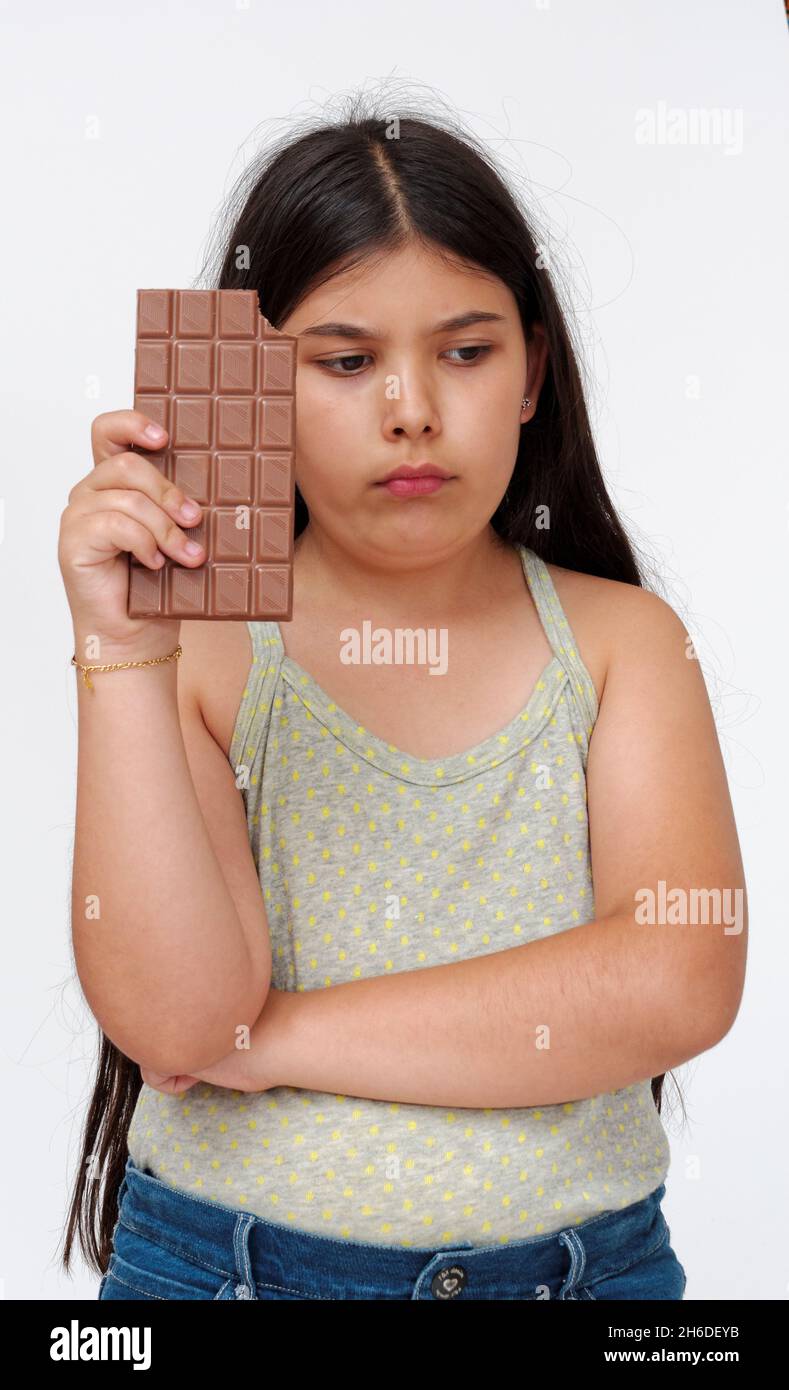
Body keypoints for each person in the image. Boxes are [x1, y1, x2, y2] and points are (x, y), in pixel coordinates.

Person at [57, 99, 747, 1301]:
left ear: (534, 372)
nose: (412, 407)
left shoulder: (624, 644)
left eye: (467, 351)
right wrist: (119, 649)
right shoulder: (205, 655)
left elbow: (679, 975)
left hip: (583, 1280)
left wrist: (269, 1042)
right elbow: (177, 1022)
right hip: (223, 1274)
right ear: (252, 386)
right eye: (346, 358)